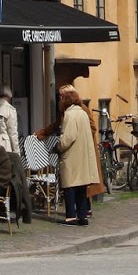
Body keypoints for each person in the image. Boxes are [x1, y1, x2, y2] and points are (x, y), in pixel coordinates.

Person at [38, 85, 100, 225]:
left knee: (69, 186)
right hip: (83, 155)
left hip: (72, 156)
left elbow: (68, 137)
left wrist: (58, 146)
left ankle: (71, 216)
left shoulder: (70, 115)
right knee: (81, 187)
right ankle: (82, 216)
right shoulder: (82, 113)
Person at [0, 87, 21, 158]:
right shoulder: (10, 109)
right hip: (4, 144)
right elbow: (13, 133)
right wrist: (17, 152)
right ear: (9, 95)